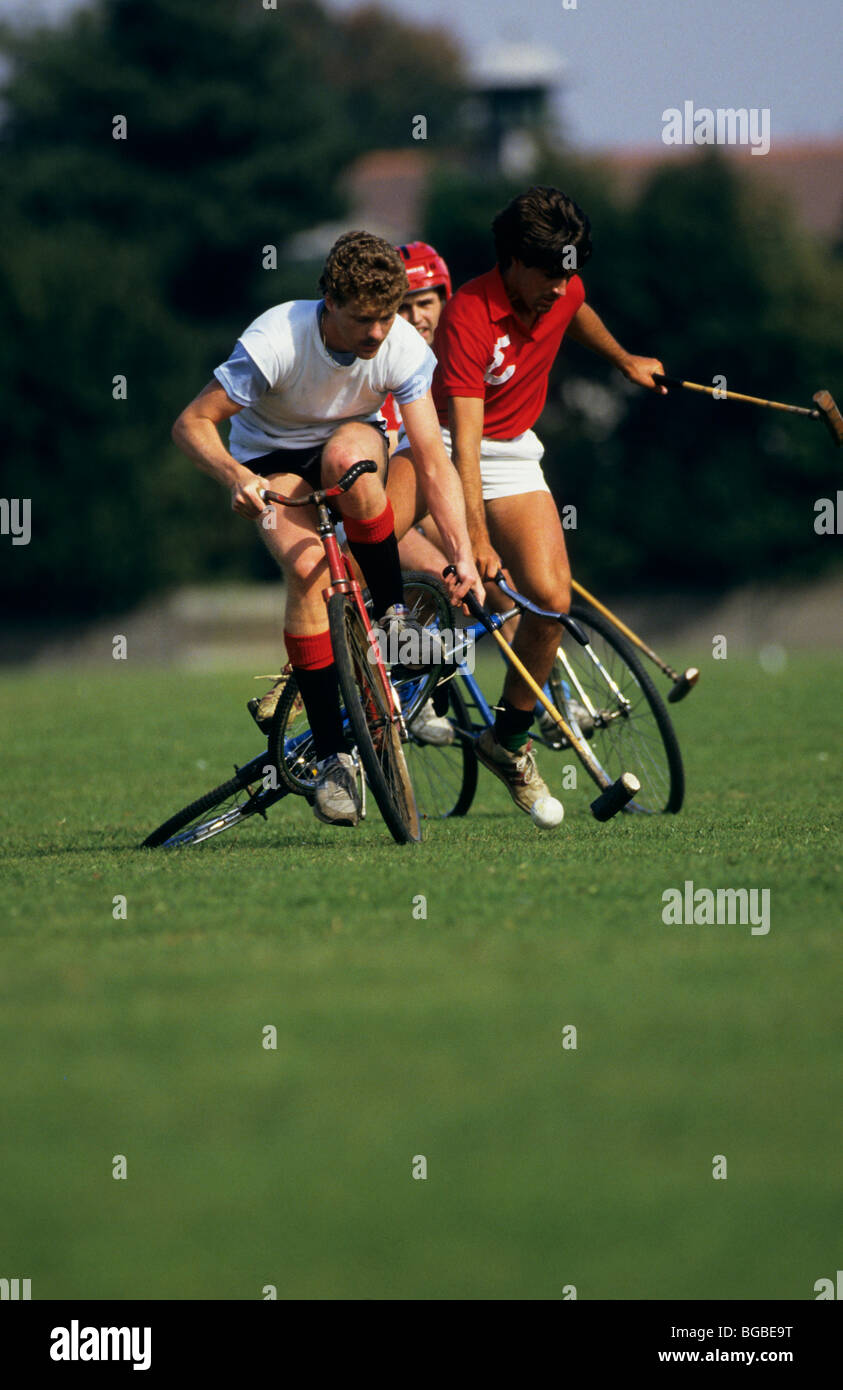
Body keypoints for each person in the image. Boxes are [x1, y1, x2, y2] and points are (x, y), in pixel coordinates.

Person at [172, 230, 480, 827]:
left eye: (386, 318)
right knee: (309, 568)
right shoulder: (275, 340)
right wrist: (234, 475)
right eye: (363, 319)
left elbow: (433, 461)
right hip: (269, 462)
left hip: (347, 442)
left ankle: (392, 624)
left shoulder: (403, 347)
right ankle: (337, 761)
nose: (377, 333)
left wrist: (462, 553)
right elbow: (191, 423)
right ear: (329, 302)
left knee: (355, 465)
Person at [388, 186, 666, 817]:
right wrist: (475, 541)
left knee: (552, 597)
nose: (558, 288)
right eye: (547, 274)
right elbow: (462, 442)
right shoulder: (469, 314)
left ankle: (507, 739)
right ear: (512, 260)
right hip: (444, 444)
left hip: (513, 452)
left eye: (568, 274)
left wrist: (624, 360)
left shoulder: (561, 286)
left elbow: (577, 309)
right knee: (371, 531)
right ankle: (338, 690)